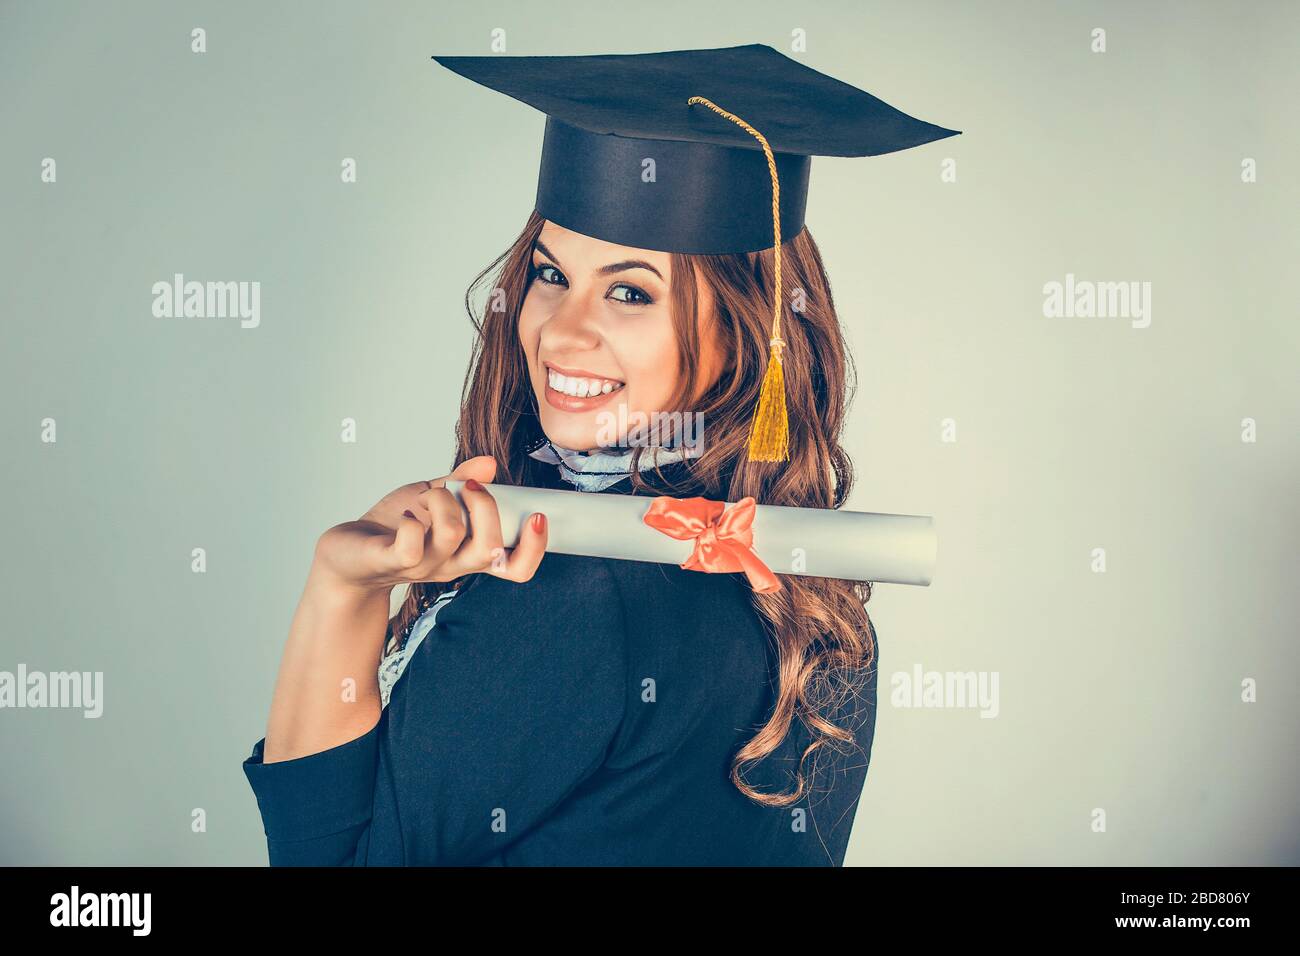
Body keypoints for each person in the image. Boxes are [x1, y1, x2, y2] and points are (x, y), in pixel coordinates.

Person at [241, 43, 958, 866]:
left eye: (629, 291)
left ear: (743, 329)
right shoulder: (813, 596)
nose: (561, 331)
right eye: (550, 275)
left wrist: (343, 588)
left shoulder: (570, 590)